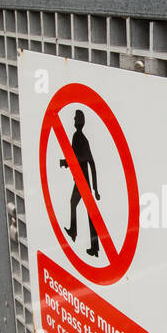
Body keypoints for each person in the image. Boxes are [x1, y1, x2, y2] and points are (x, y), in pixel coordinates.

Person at [60, 109, 101, 257]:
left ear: (79, 121)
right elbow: (76, 158)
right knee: (83, 209)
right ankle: (76, 233)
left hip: (82, 181)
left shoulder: (79, 138)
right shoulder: (79, 137)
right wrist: (66, 162)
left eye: (75, 118)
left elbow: (87, 161)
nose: (74, 120)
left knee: (89, 213)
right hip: (81, 180)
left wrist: (95, 189)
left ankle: (88, 242)